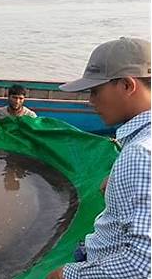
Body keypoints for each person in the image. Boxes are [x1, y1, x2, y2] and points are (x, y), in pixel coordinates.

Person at [47, 37, 151, 279]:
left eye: (95, 91)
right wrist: (115, 181)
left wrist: (67, 275)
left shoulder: (140, 154)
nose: (90, 101)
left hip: (105, 261)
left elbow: (142, 264)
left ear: (127, 85)